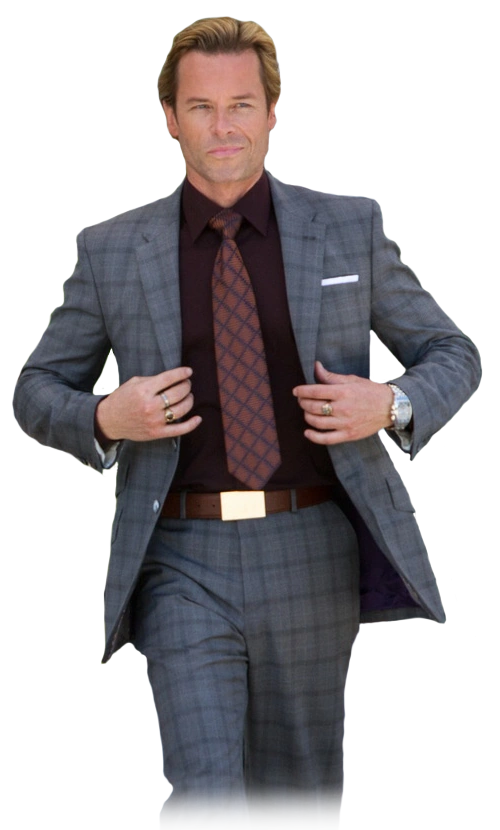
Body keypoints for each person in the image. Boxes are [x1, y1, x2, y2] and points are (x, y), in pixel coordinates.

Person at [12, 14, 481, 830]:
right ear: (170, 117)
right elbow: (35, 386)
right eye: (201, 107)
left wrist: (391, 404)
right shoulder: (113, 251)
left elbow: (452, 352)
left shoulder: (347, 229)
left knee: (297, 806)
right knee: (206, 799)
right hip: (180, 555)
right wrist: (106, 416)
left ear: (273, 111)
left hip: (311, 548)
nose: (222, 127)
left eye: (241, 105)